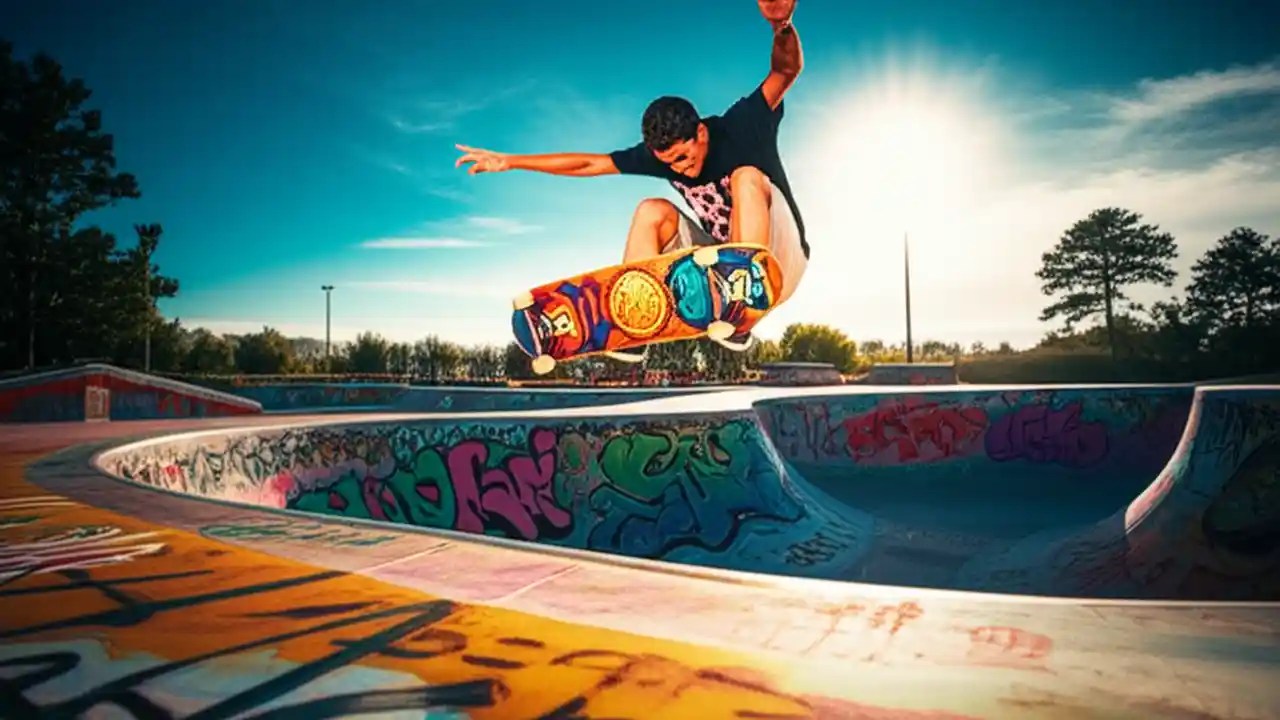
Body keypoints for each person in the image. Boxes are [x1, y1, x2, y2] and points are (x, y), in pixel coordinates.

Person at [455, 0, 807, 363]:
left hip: (780, 258)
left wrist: (781, 26)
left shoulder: (742, 124)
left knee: (745, 176)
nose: (682, 169)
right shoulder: (662, 159)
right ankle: (635, 317)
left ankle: (743, 299)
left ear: (701, 132)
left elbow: (785, 71)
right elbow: (588, 164)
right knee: (651, 210)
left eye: (684, 157)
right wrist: (511, 161)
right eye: (670, 164)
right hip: (719, 262)